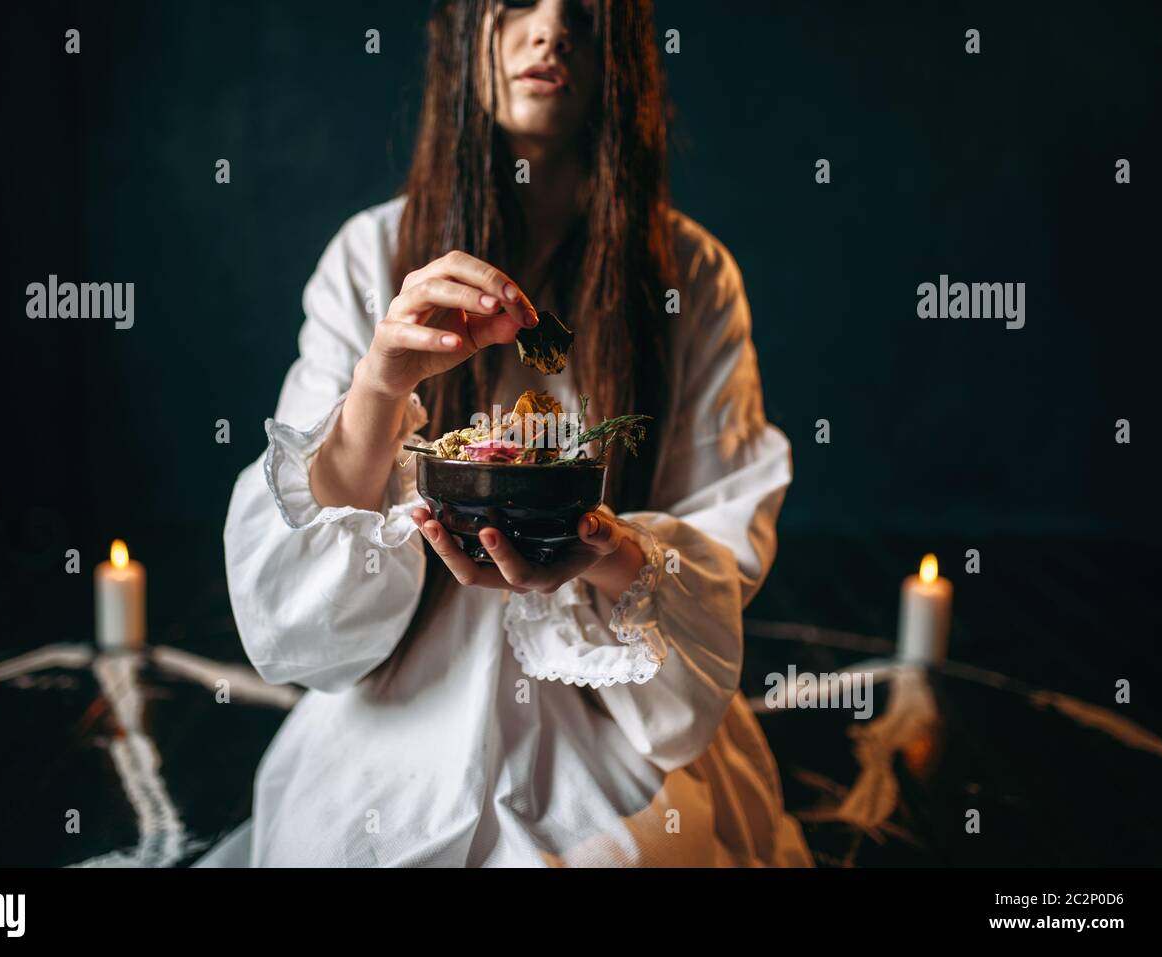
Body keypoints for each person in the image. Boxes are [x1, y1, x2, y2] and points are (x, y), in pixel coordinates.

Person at [199, 0, 812, 867]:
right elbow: (295, 626)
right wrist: (379, 381)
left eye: (585, 14)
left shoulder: (693, 276)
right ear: (463, 36)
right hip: (406, 687)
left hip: (610, 699)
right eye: (518, 2)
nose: (551, 27)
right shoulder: (370, 253)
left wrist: (605, 550)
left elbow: (720, 544)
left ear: (622, 56)